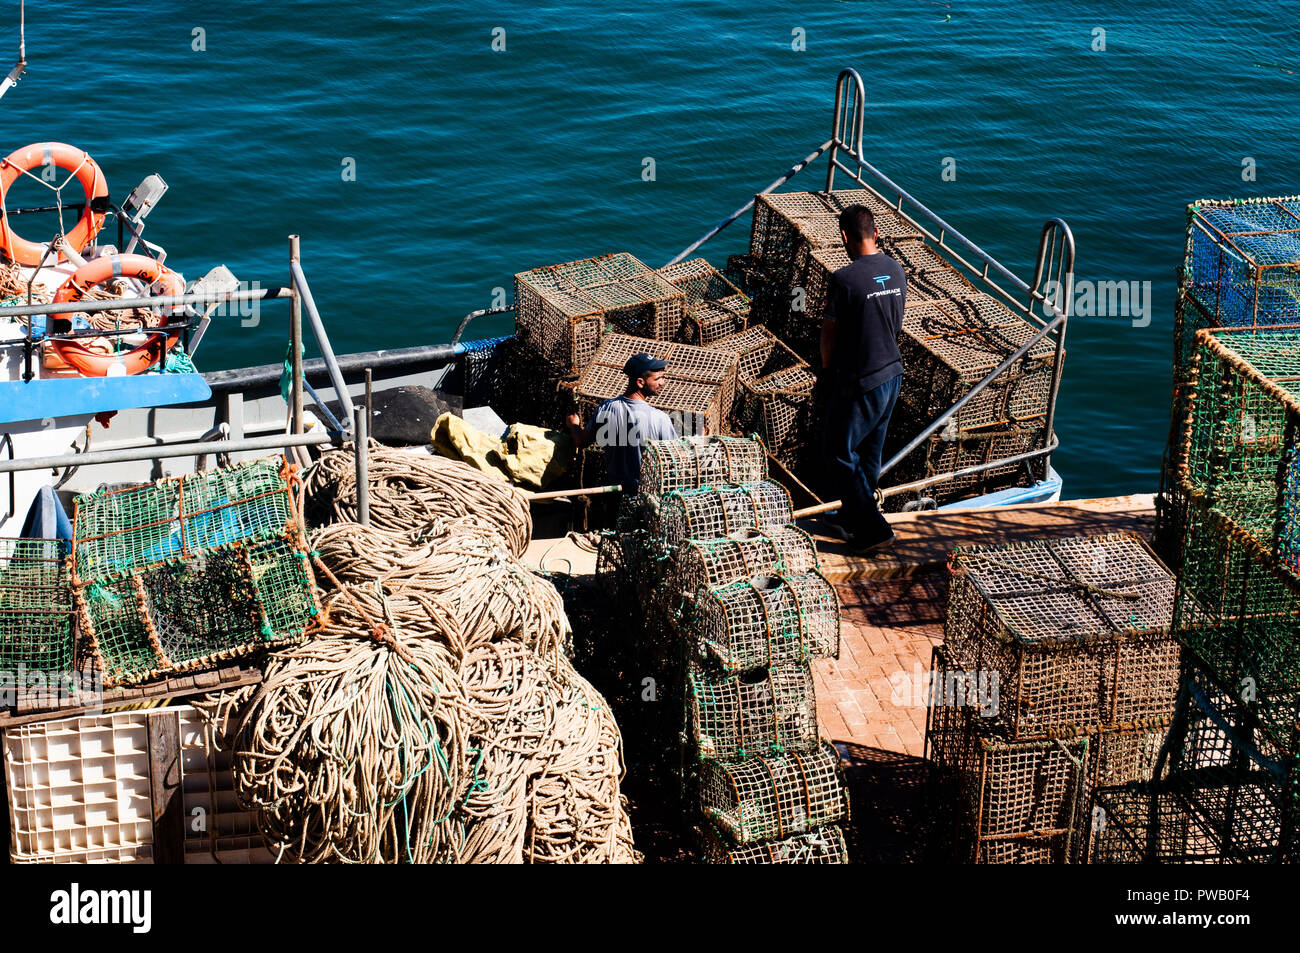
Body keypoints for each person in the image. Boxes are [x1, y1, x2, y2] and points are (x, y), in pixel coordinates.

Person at [819, 203, 907, 554]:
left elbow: (829, 334)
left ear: (845, 236)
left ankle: (873, 529)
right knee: (871, 450)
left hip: (862, 380)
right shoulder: (896, 269)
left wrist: (827, 373)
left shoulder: (844, 279)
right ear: (874, 233)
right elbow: (895, 321)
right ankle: (852, 516)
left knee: (840, 452)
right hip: (892, 374)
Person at [566, 352, 679, 495]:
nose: (663, 382)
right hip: (647, 497)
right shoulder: (660, 418)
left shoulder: (606, 408)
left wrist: (573, 425)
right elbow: (677, 460)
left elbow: (581, 441)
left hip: (614, 493)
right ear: (640, 382)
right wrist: (702, 442)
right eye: (658, 379)